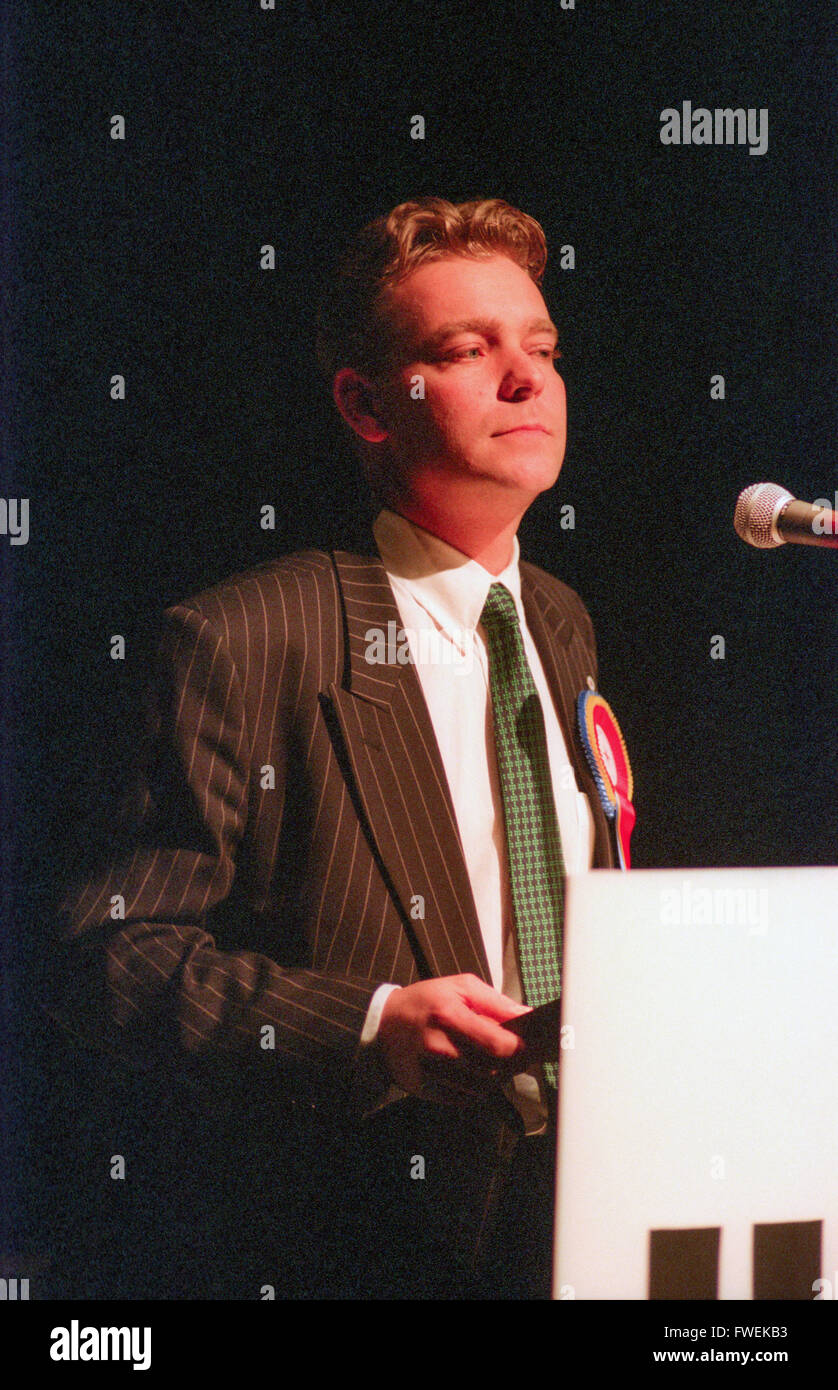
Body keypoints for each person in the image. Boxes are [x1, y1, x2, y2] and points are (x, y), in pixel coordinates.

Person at [51, 197, 620, 1300]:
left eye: (541, 349)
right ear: (366, 404)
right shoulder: (241, 637)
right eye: (468, 349)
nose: (526, 378)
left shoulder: (559, 618)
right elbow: (107, 955)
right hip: (360, 1240)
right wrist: (369, 1026)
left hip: (582, 1208)